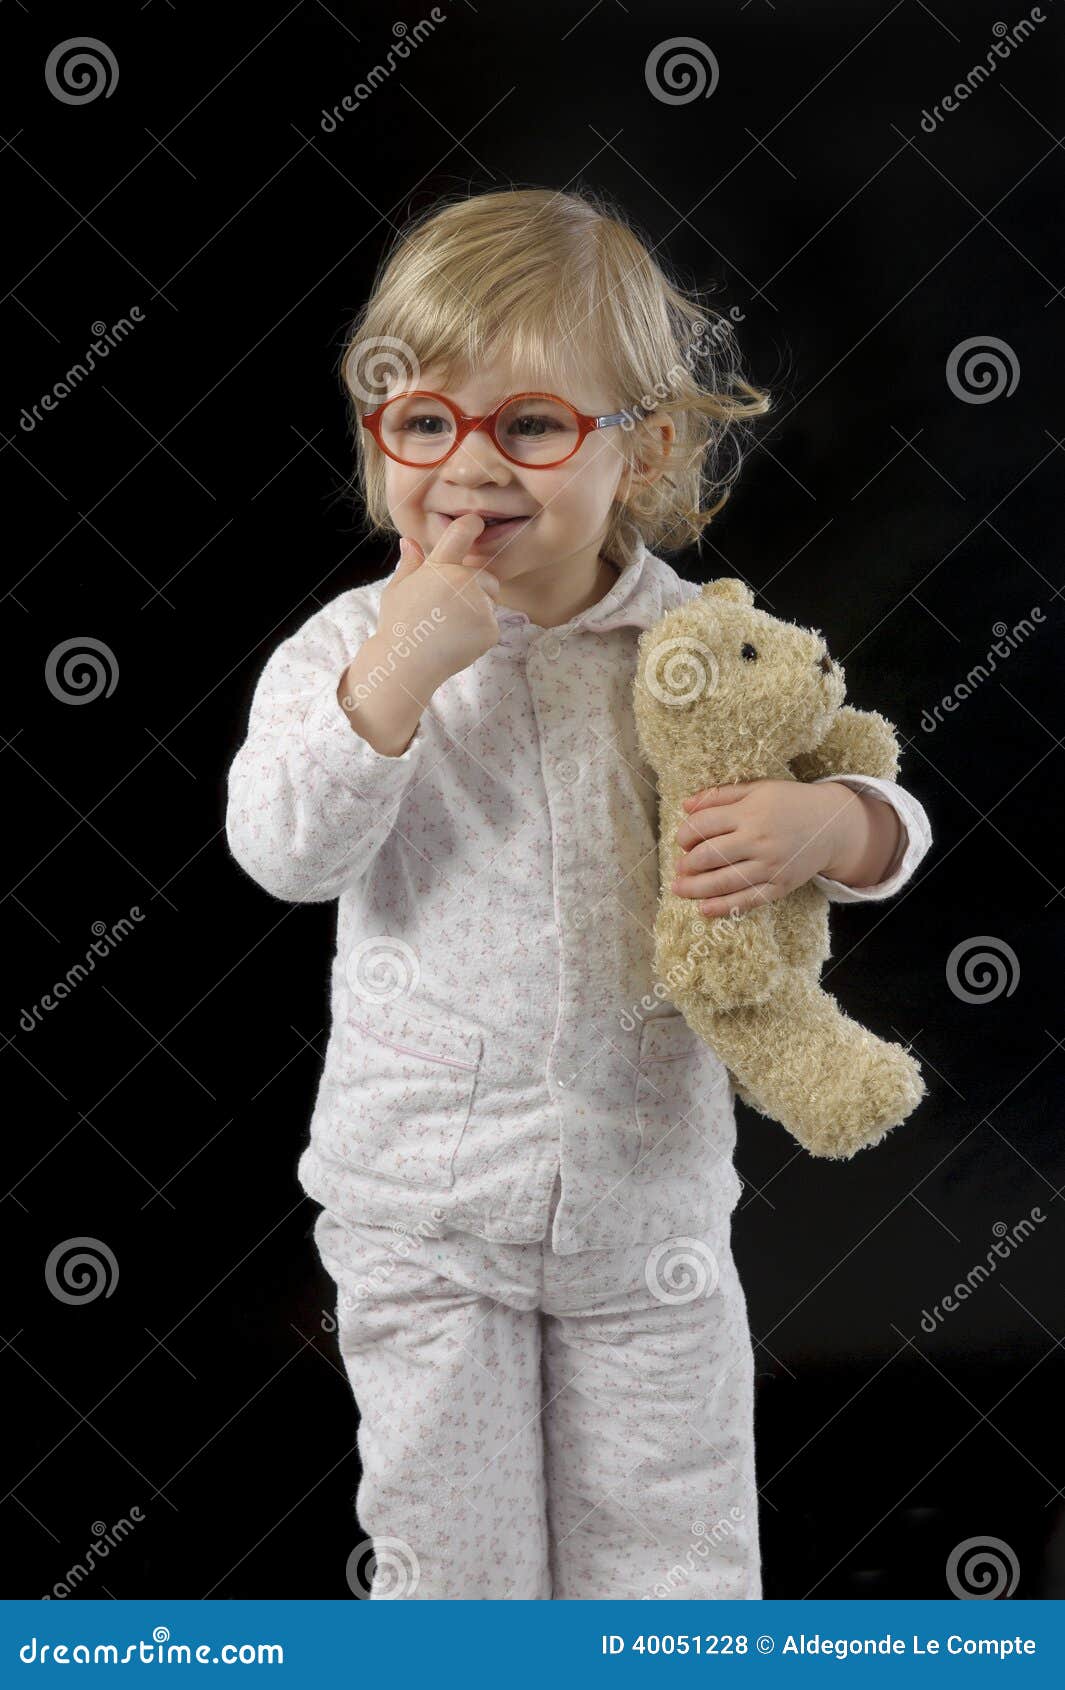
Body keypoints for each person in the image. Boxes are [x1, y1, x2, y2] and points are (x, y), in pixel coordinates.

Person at [225, 187, 933, 1600]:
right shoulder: (348, 647)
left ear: (644, 447)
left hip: (644, 1214)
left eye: (531, 426)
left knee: (673, 1569)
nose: (469, 468)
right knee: (456, 1572)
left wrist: (827, 823)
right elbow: (284, 849)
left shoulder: (703, 643)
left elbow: (893, 817)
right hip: (422, 1216)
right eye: (426, 422)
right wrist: (397, 680)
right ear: (381, 438)